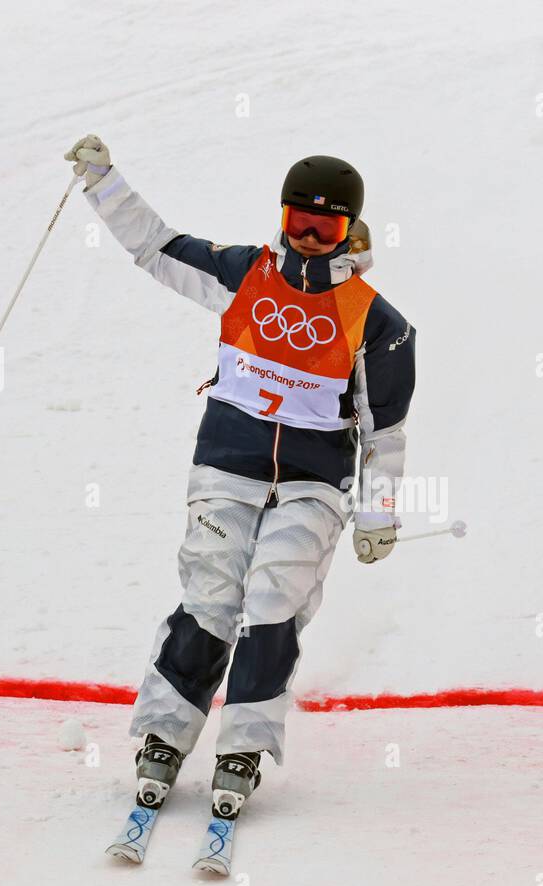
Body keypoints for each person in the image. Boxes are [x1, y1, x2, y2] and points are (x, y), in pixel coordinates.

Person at [65, 134, 416, 823]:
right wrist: (102, 181)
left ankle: (244, 748)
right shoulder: (245, 274)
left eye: (329, 227)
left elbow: (385, 433)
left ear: (351, 229)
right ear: (282, 218)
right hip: (227, 466)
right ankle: (165, 733)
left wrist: (377, 514)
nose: (312, 238)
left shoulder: (380, 323)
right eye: (299, 223)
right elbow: (157, 248)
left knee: (274, 600)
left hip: (313, 484)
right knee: (212, 592)